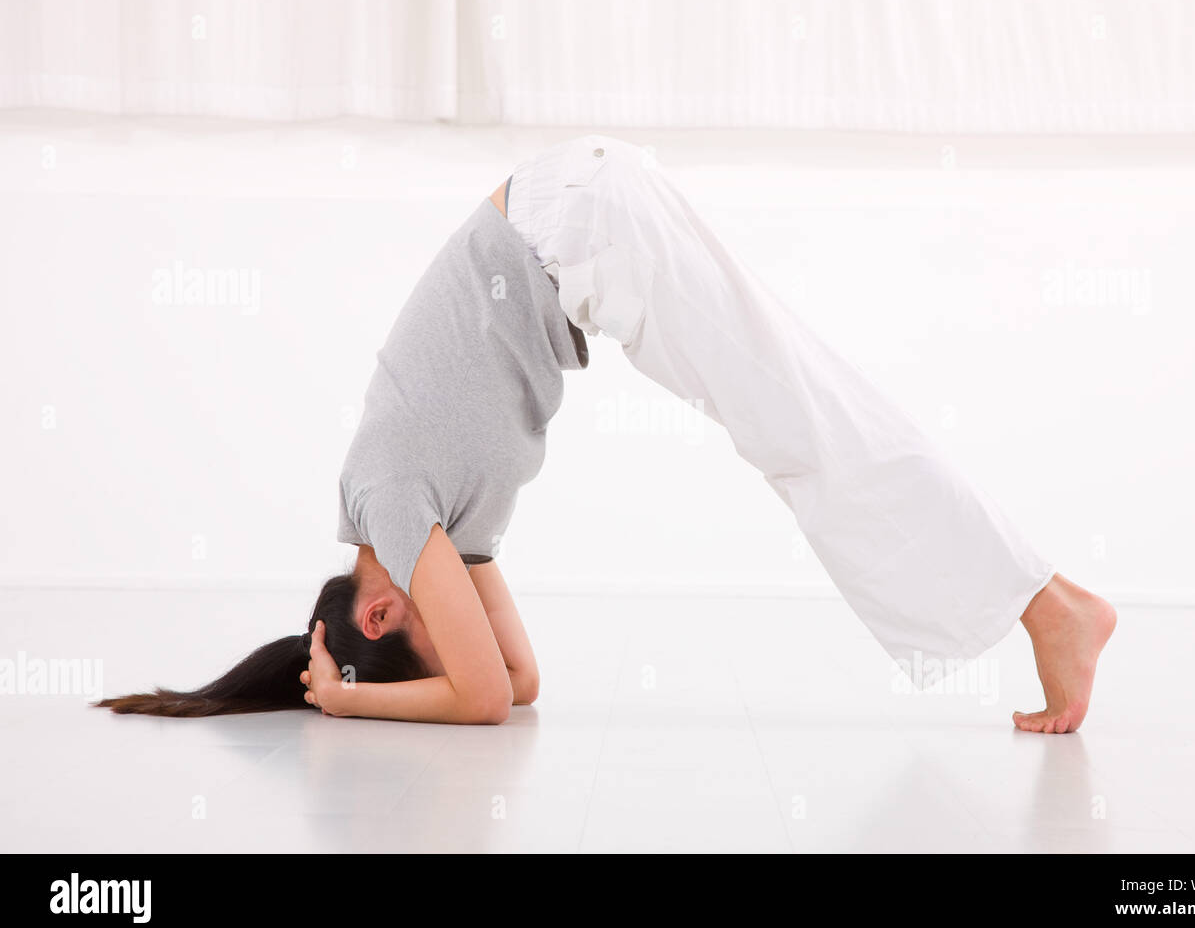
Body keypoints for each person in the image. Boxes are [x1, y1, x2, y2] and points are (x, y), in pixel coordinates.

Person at [98, 135, 1115, 732]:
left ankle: (1046, 606)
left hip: (578, 228)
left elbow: (482, 696)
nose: (448, 635)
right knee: (802, 411)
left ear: (377, 611)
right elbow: (520, 683)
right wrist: (395, 685)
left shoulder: (385, 496)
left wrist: (346, 705)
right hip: (584, 216)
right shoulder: (446, 518)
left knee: (803, 425)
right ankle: (1045, 600)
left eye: (424, 640)